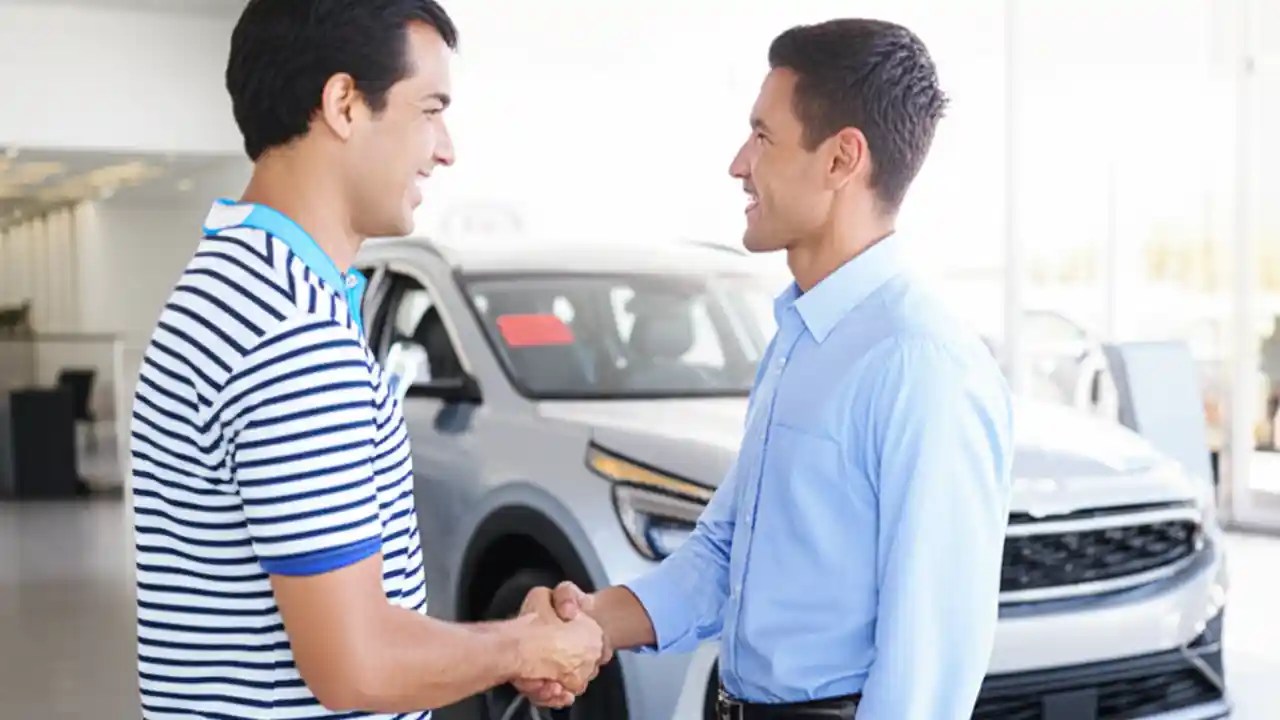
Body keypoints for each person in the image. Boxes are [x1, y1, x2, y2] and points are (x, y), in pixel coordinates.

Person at [518, 18, 1015, 719]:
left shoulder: (921, 364)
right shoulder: (801, 337)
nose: (738, 164)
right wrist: (593, 620)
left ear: (842, 160)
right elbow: (726, 555)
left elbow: (927, 669)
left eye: (763, 136)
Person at [128, 2, 603, 718]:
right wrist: (522, 646)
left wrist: (512, 641)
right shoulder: (290, 333)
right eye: (430, 110)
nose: (445, 149)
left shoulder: (236, 281)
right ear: (344, 104)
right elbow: (356, 666)